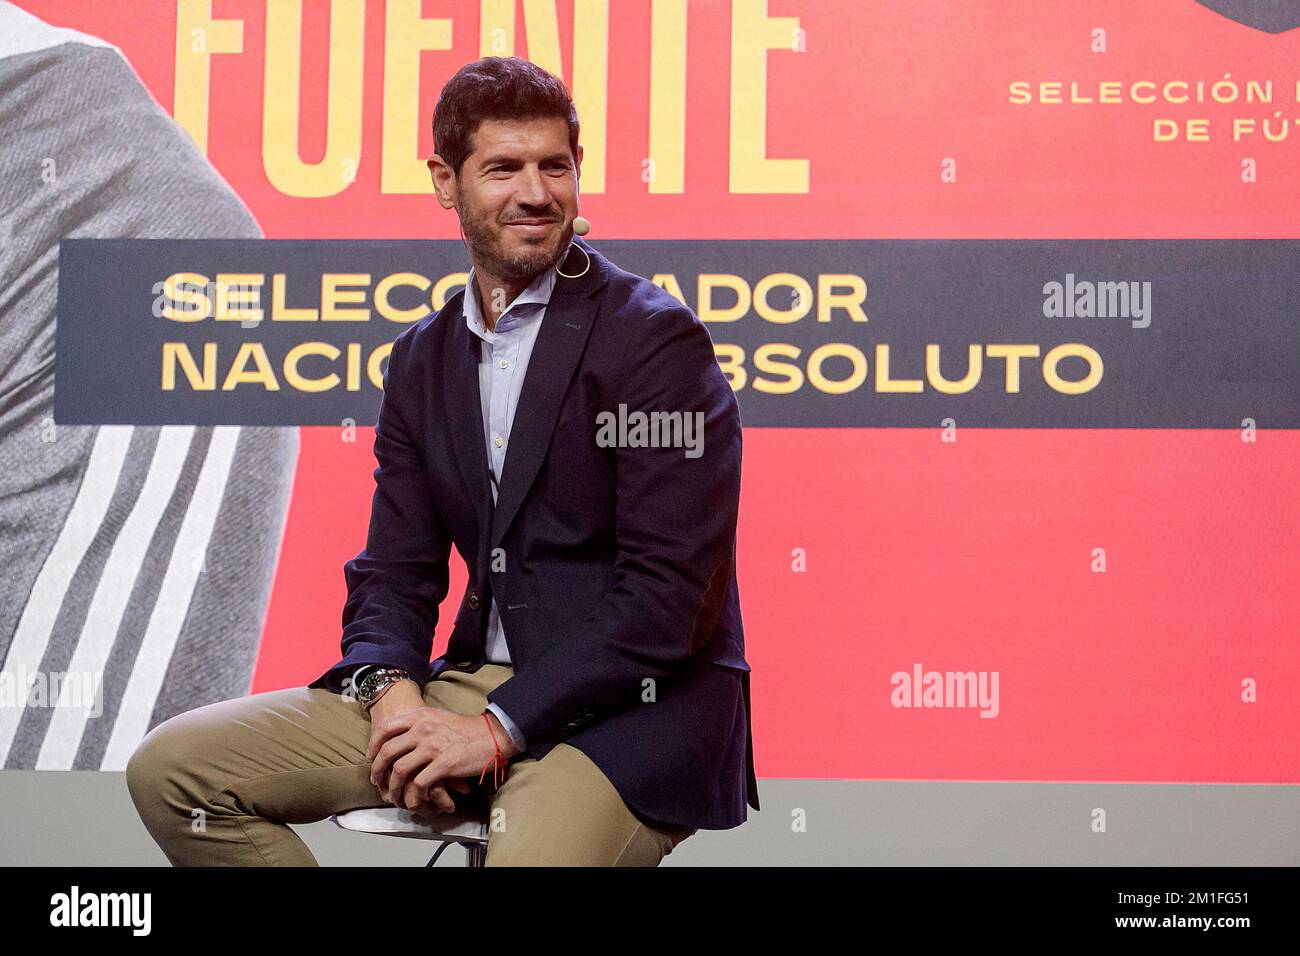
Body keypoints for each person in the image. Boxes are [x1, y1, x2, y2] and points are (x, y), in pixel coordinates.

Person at [127, 55, 757, 866]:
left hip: (633, 711)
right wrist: (391, 696)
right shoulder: (421, 360)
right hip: (471, 685)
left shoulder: (653, 342)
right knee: (176, 774)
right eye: (503, 168)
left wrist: (495, 730)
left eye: (554, 166)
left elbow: (668, 602)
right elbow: (396, 571)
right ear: (445, 181)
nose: (535, 192)